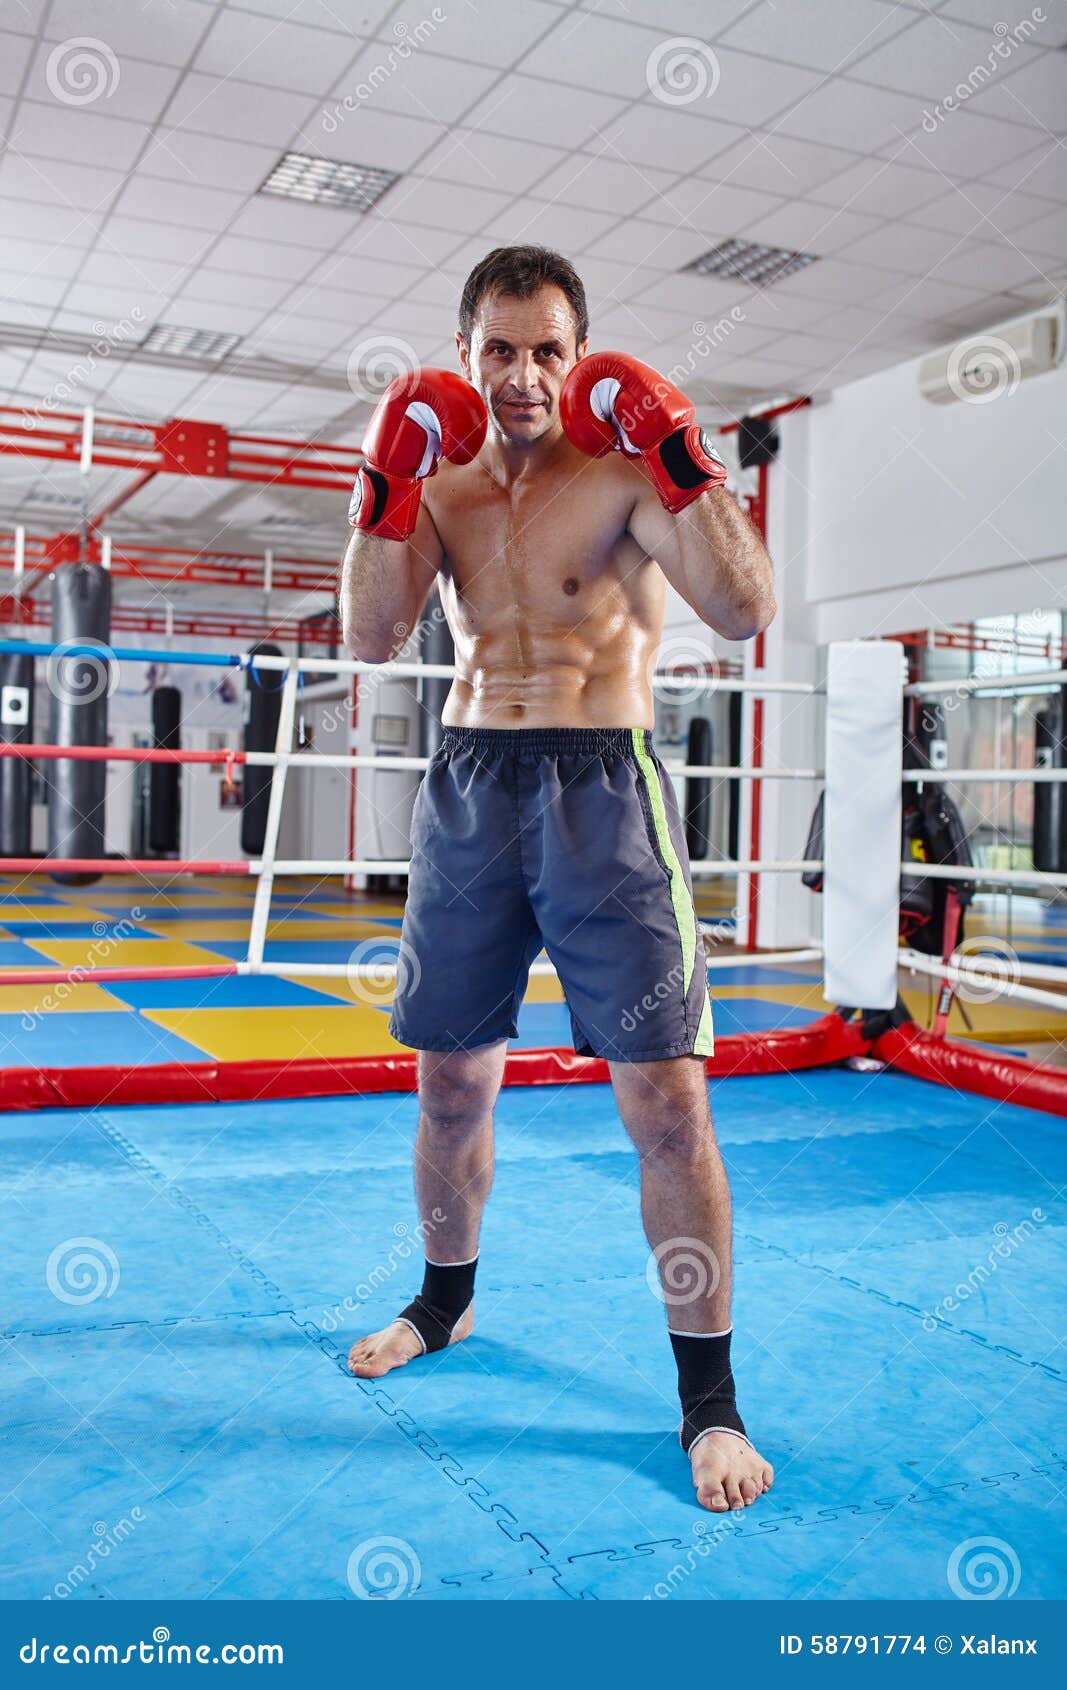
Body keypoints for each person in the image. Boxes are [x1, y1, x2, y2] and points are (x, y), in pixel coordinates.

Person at [340, 244, 776, 1514]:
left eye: (547, 349)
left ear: (580, 357)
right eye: (499, 349)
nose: (522, 375)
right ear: (464, 353)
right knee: (449, 1084)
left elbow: (744, 607)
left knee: (668, 1106)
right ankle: (445, 1303)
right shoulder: (439, 475)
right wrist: (381, 477)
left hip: (603, 790)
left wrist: (684, 448)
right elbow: (369, 634)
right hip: (472, 784)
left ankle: (708, 1406)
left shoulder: (630, 468)